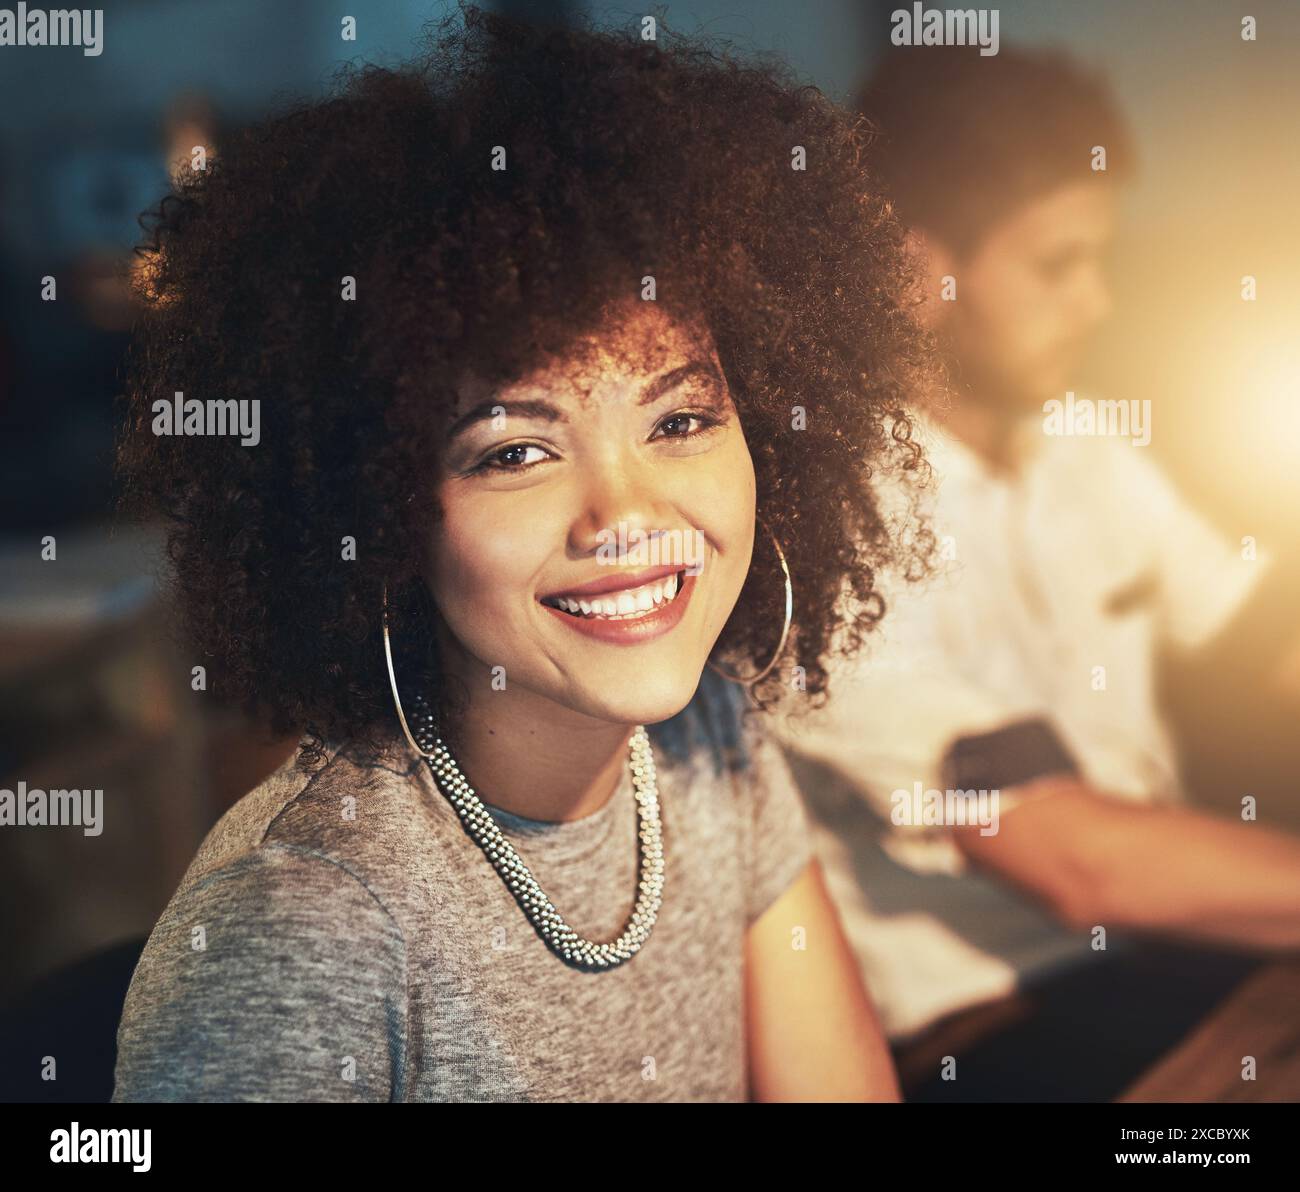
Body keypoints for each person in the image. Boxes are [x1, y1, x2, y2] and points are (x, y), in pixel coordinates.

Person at [109, 7, 936, 1102]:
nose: (625, 513)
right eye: (514, 453)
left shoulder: (708, 736)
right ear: (379, 505)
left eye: (679, 422)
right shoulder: (301, 927)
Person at [772, 43, 1300, 1100]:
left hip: (1174, 972)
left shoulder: (1081, 450)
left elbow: (1270, 647)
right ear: (920, 270)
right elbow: (1073, 860)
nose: (1097, 302)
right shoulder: (820, 515)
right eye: (1058, 265)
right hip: (996, 1036)